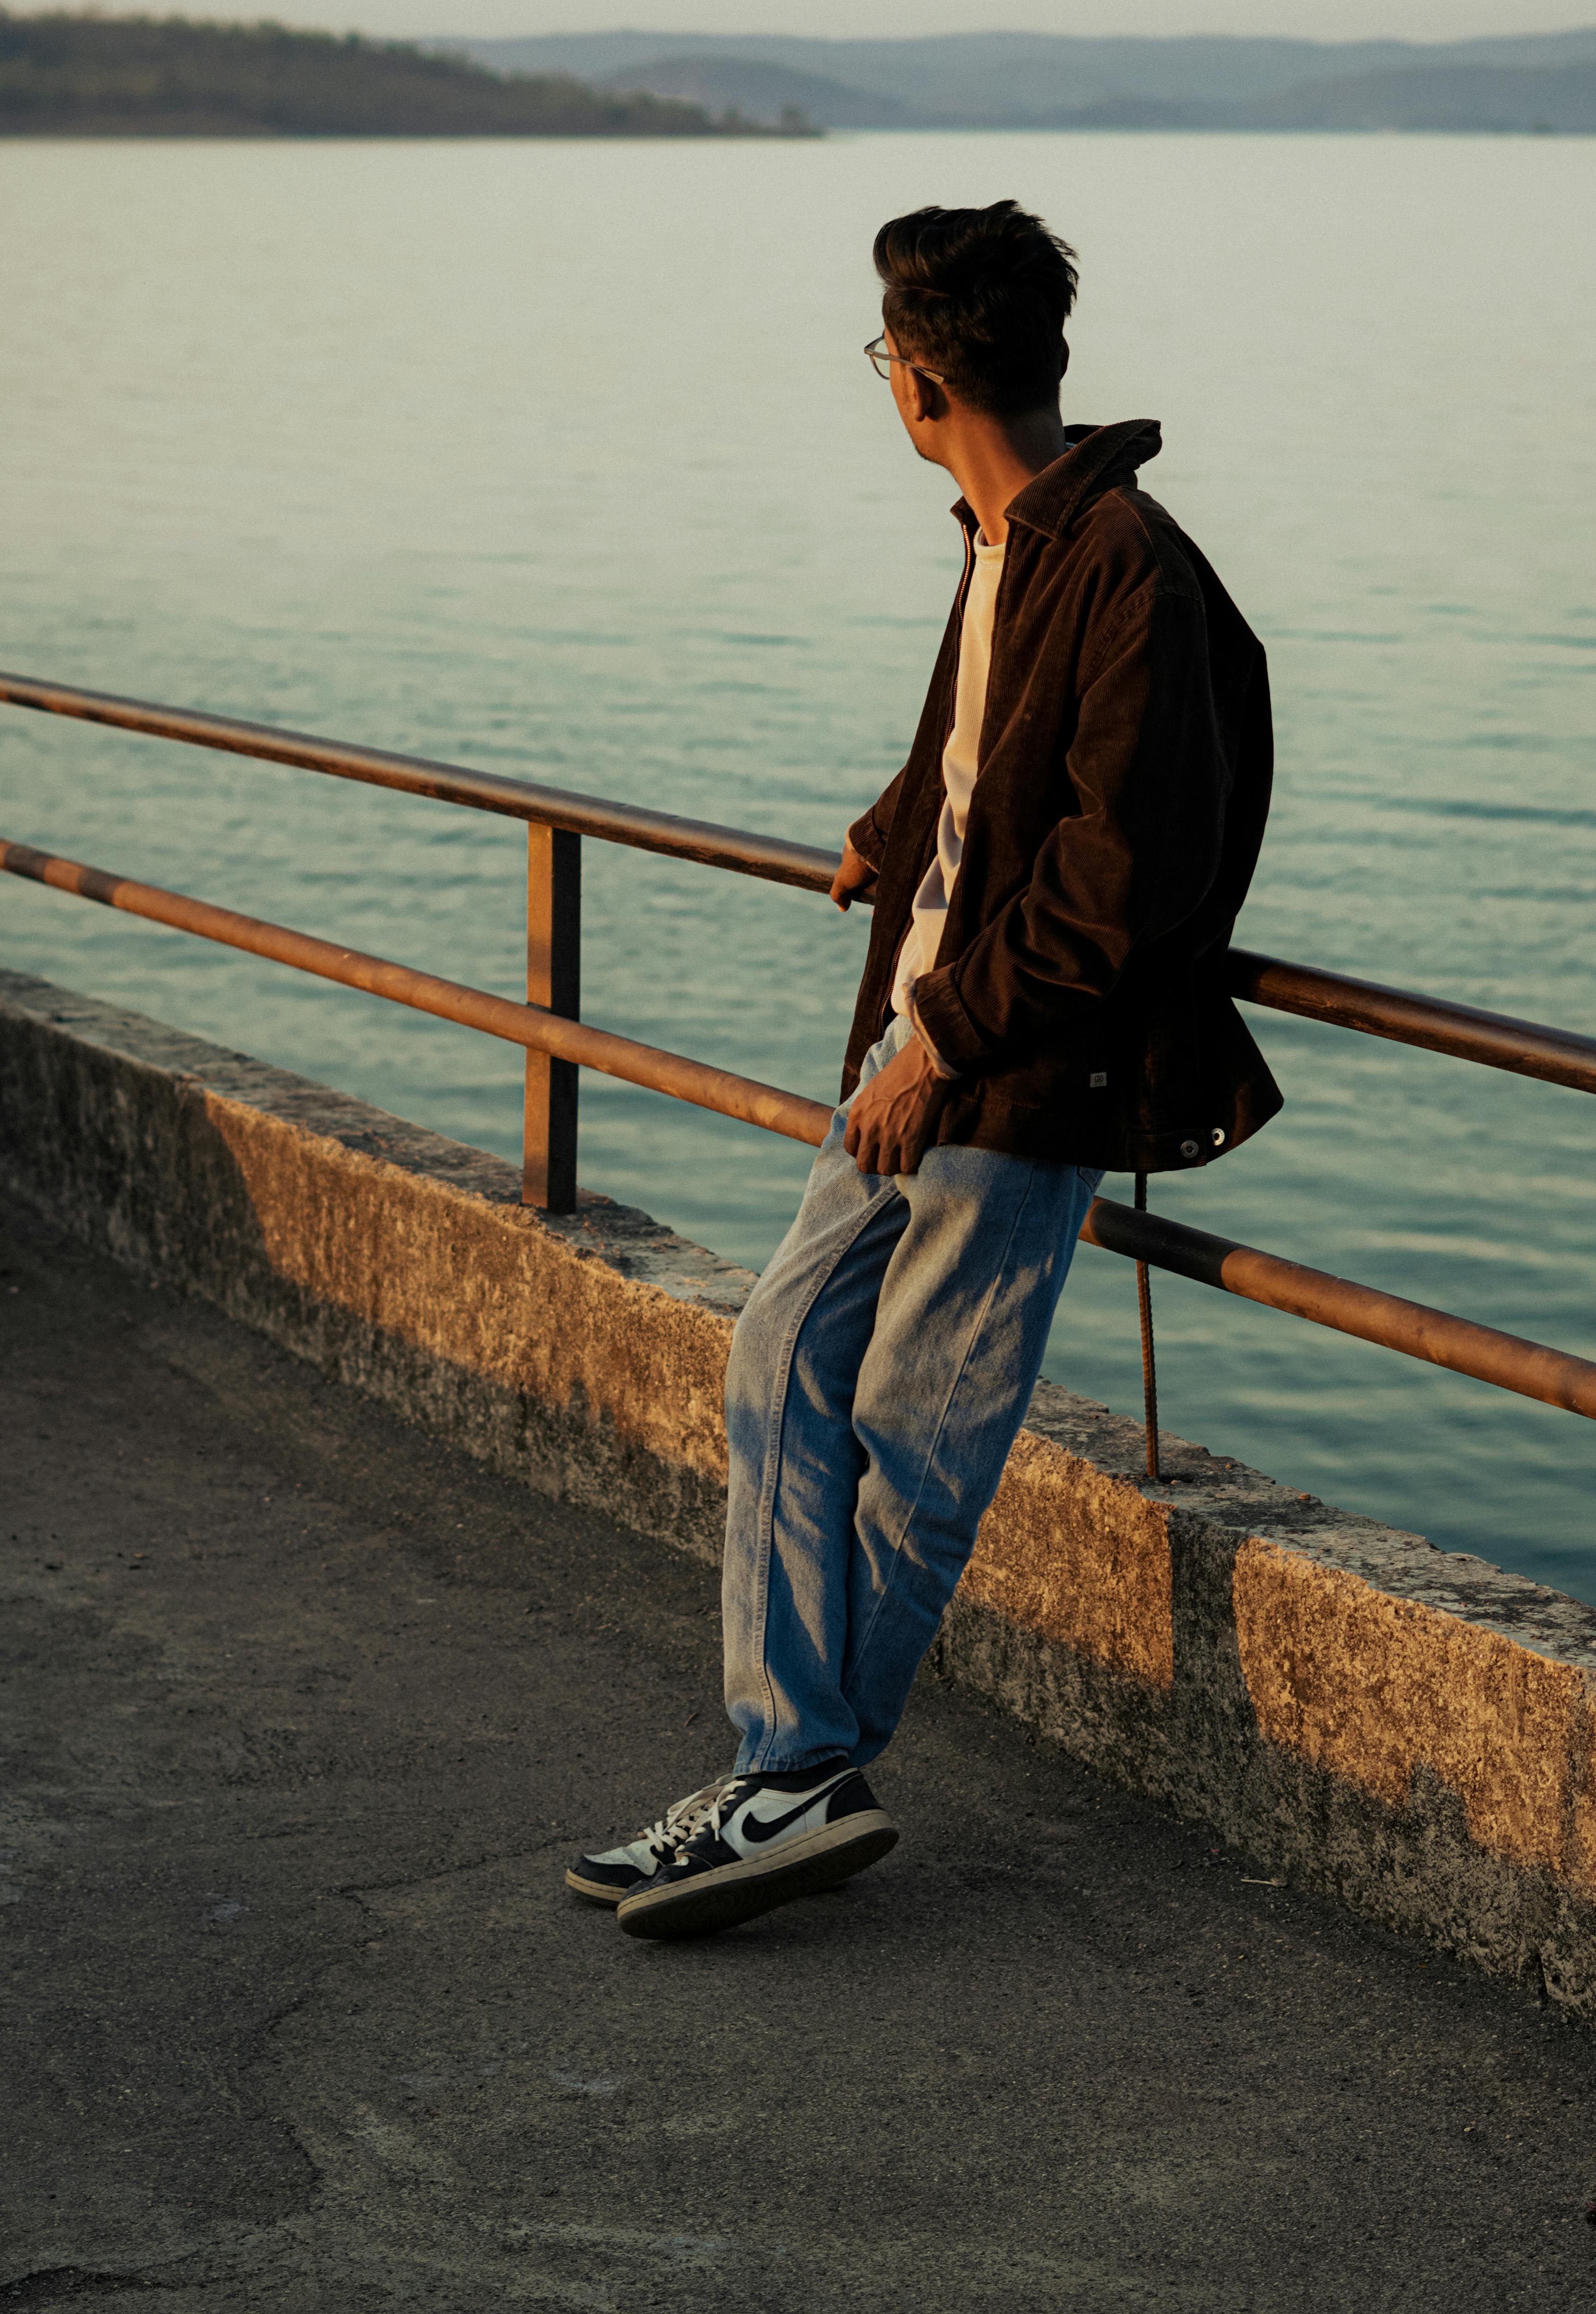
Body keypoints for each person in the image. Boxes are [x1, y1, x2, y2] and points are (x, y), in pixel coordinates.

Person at [567, 199, 1280, 1941]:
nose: (886, 379)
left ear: (925, 375)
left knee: (915, 1434)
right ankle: (790, 1766)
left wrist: (947, 1037)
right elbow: (993, 764)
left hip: (1013, 1075)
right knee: (780, 1358)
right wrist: (894, 834)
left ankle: (792, 1771)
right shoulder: (1007, 542)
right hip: (925, 1045)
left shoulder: (1126, 563)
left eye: (889, 352)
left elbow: (1131, 870)